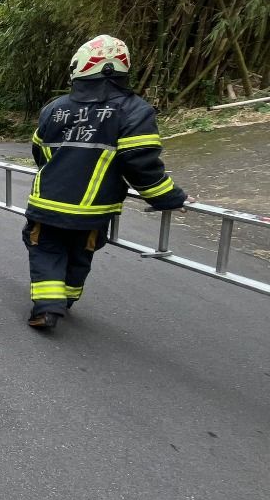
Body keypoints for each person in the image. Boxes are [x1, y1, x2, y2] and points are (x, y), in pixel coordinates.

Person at [24, 35, 188, 329]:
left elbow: (40, 152)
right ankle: (67, 299)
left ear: (80, 68)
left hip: (47, 203)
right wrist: (168, 196)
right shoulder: (135, 111)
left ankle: (47, 308)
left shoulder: (55, 109)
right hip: (95, 210)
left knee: (46, 250)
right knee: (80, 253)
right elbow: (142, 164)